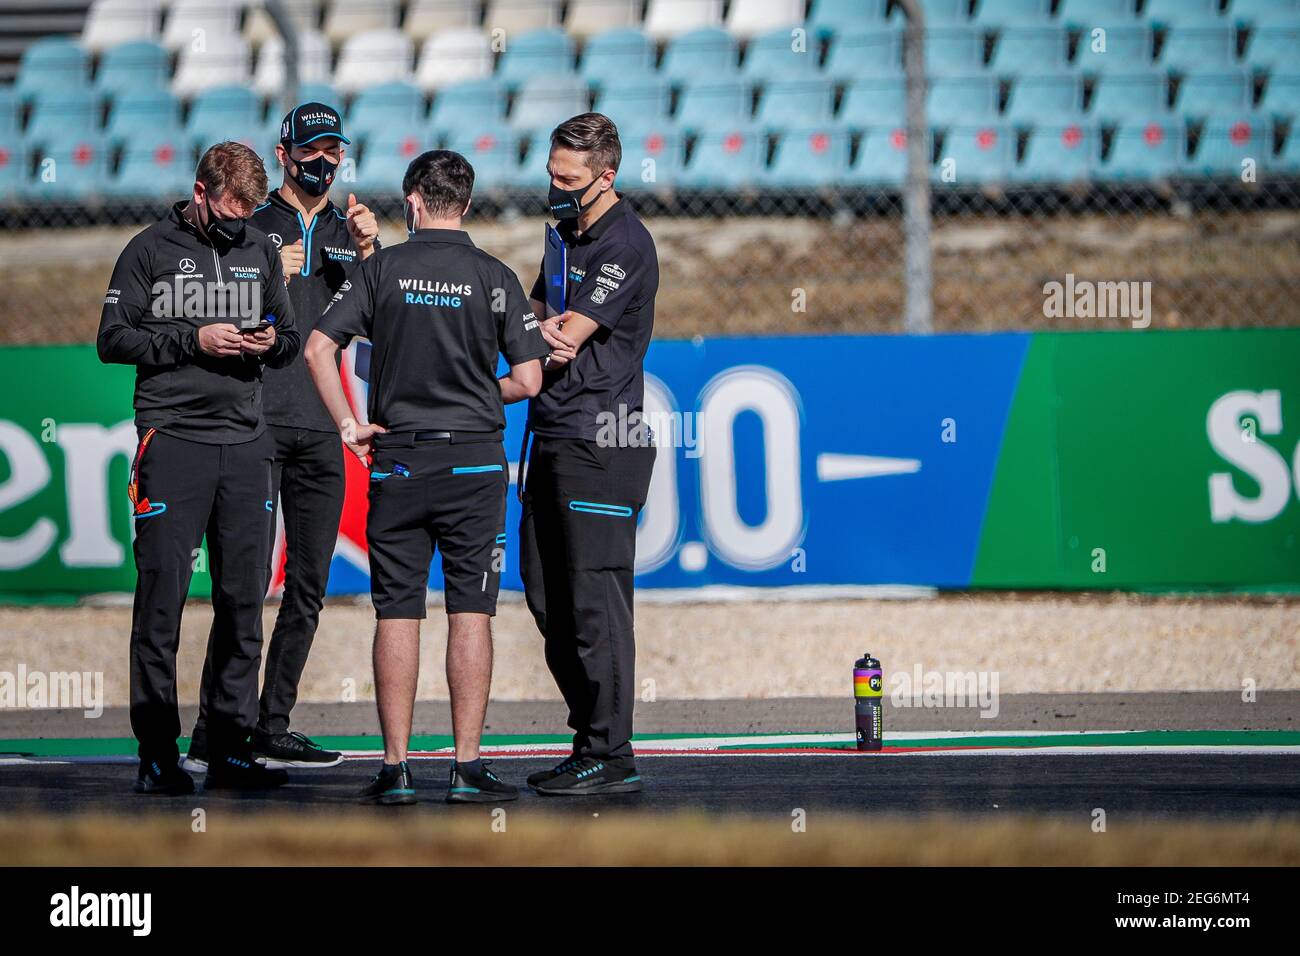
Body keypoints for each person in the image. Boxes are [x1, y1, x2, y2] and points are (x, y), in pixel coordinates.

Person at [305, 149, 548, 804]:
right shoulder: (496, 275)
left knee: (397, 610)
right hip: (473, 459)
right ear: (464, 203)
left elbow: (317, 348)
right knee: (472, 610)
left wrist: (348, 425)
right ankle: (467, 767)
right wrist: (473, 391)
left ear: (413, 202)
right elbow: (529, 379)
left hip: (400, 460)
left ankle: (396, 768)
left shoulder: (382, 269)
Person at [97, 141, 300, 794]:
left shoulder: (259, 248)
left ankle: (229, 745)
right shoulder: (149, 249)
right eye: (231, 210)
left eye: (250, 213)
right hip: (173, 439)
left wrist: (270, 339)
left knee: (244, 603)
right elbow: (112, 338)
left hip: (245, 445)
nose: (241, 224)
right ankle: (157, 752)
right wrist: (193, 337)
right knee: (163, 601)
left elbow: (290, 338)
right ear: (201, 190)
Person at [185, 103, 379, 773]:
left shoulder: (347, 231)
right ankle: (217, 728)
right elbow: (200, 305)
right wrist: (270, 262)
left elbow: (381, 324)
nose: (323, 162)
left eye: (334, 151)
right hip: (254, 425)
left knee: (310, 582)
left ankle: (273, 722)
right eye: (311, 150)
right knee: (243, 584)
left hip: (323, 427)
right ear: (285, 153)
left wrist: (372, 254)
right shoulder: (249, 222)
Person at [519, 113, 658, 795]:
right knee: (547, 598)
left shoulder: (625, 243)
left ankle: (611, 749)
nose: (555, 186)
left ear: (607, 177)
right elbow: (529, 323)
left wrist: (542, 333)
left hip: (602, 440)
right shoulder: (561, 235)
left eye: (568, 179)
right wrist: (538, 332)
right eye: (551, 173)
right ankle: (591, 733)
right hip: (550, 431)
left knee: (596, 602)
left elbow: (560, 334)